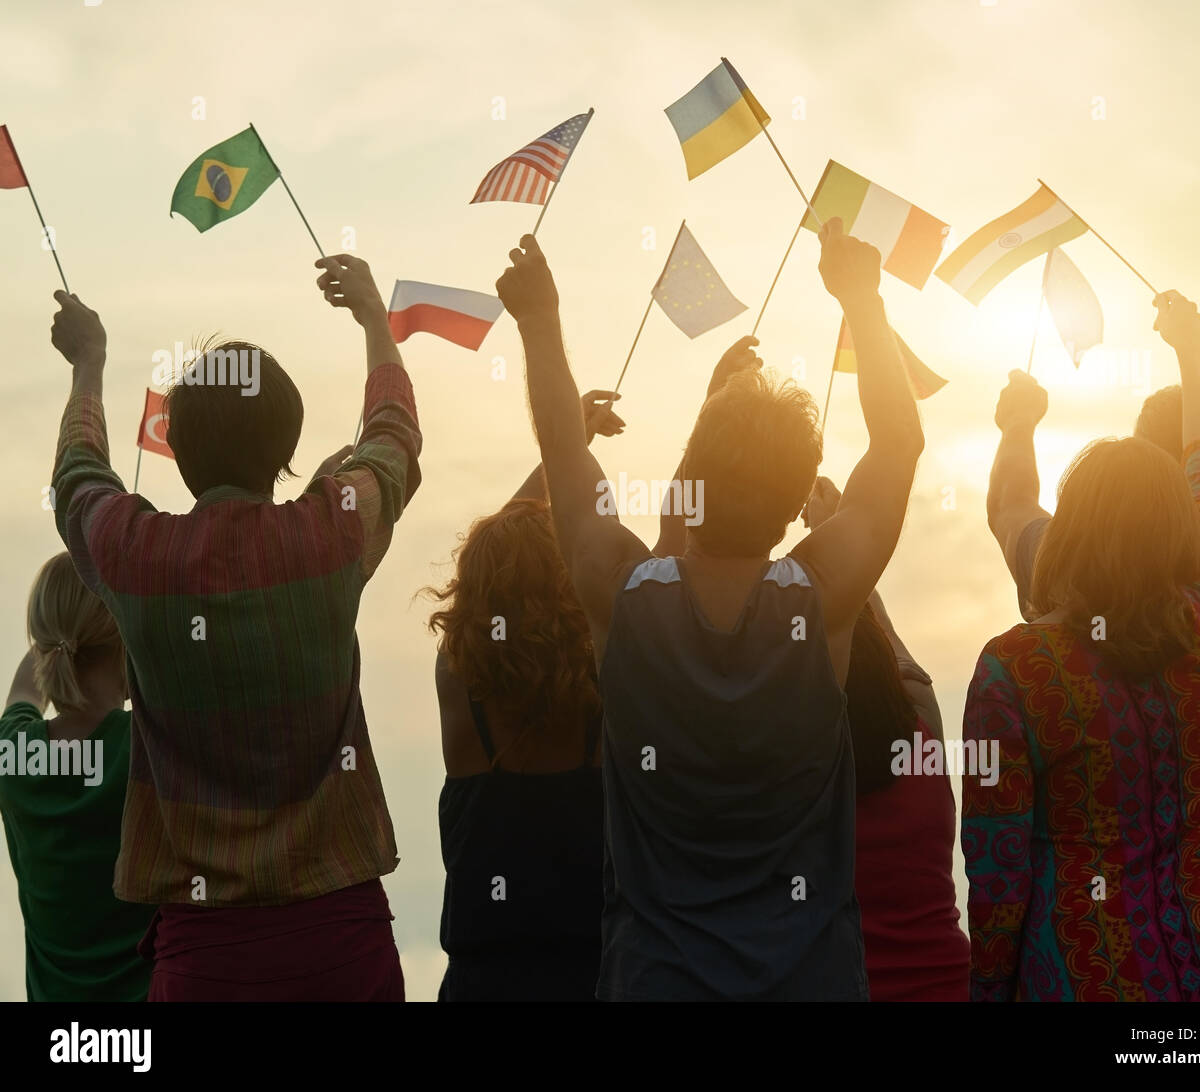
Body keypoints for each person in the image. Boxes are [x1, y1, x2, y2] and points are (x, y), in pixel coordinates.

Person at [495, 219, 924, 1001]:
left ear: (692, 486)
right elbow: (898, 445)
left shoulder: (624, 596)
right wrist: (862, 299)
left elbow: (565, 450)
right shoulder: (822, 598)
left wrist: (539, 322)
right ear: (800, 501)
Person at [47, 254, 421, 1001]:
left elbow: (77, 480)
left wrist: (88, 367)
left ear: (178, 453)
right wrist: (378, 325)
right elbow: (394, 441)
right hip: (342, 941)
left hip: (204, 958)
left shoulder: (137, 555)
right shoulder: (330, 534)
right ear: (285, 451)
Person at [964, 291, 1200, 1001]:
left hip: (1088, 974)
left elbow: (997, 872)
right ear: (1182, 538)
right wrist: (1191, 355)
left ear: (1070, 529)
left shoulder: (1015, 671)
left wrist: (1017, 427)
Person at [429, 390, 624, 1002]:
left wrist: (562, 448)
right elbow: (600, 542)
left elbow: (497, 559)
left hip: (482, 982)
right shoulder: (601, 679)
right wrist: (568, 451)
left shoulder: (460, 678)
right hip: (594, 978)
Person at [802, 477, 970, 1002]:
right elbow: (899, 663)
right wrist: (838, 535)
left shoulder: (792, 783)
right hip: (950, 985)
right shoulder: (922, 745)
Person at [0, 553, 156, 1001]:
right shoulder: (146, 750)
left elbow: (24, 691)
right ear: (125, 639)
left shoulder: (14, 753)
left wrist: (60, 632)